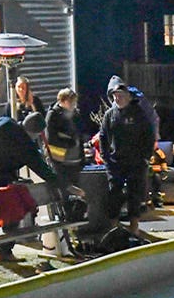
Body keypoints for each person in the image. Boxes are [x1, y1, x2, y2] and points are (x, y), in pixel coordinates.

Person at [0, 104, 61, 261]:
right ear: (36, 133)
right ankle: (5, 251)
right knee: (13, 211)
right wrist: (62, 183)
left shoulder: (5, 121)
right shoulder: (26, 146)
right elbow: (43, 170)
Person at [97, 82, 156, 225]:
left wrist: (145, 158)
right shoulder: (110, 115)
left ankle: (134, 227)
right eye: (115, 96)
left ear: (129, 97)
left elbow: (149, 136)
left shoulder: (138, 114)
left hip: (135, 162)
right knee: (114, 195)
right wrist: (106, 158)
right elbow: (103, 137)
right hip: (115, 162)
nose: (118, 99)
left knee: (134, 195)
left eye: (121, 96)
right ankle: (114, 227)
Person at [42, 86, 86, 198]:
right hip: (61, 161)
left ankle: (78, 211)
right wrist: (68, 142)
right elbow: (50, 138)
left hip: (75, 160)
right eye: (71, 102)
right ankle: (68, 212)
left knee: (77, 189)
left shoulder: (75, 114)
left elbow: (79, 134)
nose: (73, 105)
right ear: (63, 101)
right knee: (66, 190)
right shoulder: (53, 115)